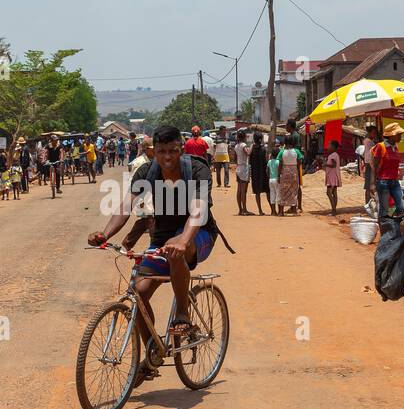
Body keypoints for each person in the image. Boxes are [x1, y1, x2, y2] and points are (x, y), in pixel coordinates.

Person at [88, 125, 219, 382]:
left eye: (173, 151)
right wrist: (105, 234)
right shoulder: (147, 172)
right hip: (161, 238)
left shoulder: (198, 170)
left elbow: (198, 211)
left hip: (199, 234)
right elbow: (126, 206)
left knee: (176, 251)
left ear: (181, 150)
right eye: (161, 151)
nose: (167, 156)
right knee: (139, 292)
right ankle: (152, 353)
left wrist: (183, 240)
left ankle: (182, 312)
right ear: (153, 153)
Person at [371, 122, 404, 222]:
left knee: (401, 207)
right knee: (384, 210)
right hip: (383, 182)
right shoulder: (380, 147)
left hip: (394, 181)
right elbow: (375, 165)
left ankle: (393, 226)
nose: (400, 136)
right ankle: (386, 232)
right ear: (391, 136)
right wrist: (373, 183)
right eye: (398, 134)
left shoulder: (395, 147)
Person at [278, 134, 302, 215]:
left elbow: (280, 164)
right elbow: (299, 162)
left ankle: (281, 211)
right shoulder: (297, 151)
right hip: (294, 172)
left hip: (285, 172)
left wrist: (278, 175)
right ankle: (294, 209)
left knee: (283, 191)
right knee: (294, 190)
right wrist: (297, 171)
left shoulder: (282, 152)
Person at [248, 131, 269, 216]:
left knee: (257, 192)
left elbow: (249, 161)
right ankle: (273, 210)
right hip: (264, 173)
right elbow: (267, 161)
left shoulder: (252, 150)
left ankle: (260, 210)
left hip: (255, 173)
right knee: (268, 191)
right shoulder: (264, 149)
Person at [233, 130, 252, 215]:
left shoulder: (236, 146)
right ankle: (244, 209)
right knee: (244, 191)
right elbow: (248, 153)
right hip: (244, 168)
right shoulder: (243, 145)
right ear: (244, 137)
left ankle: (240, 209)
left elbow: (234, 158)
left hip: (238, 167)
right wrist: (251, 146)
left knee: (239, 190)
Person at [323, 140, 342, 216]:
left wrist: (325, 164)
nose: (327, 147)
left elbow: (333, 165)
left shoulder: (332, 155)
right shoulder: (335, 155)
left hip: (332, 177)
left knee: (329, 193)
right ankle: (334, 209)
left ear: (333, 147)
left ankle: (334, 209)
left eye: (329, 145)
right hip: (334, 176)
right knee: (334, 193)